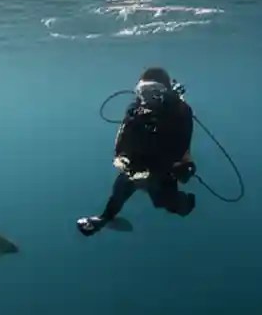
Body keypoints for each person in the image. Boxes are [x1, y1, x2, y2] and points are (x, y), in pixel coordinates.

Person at [77, 67, 197, 236]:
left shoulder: (179, 111)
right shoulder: (135, 111)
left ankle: (183, 204)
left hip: (163, 169)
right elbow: (121, 142)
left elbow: (184, 146)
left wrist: (184, 165)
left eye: (153, 90)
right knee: (120, 188)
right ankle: (105, 217)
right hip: (137, 165)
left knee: (168, 202)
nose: (147, 96)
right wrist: (122, 160)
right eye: (143, 91)